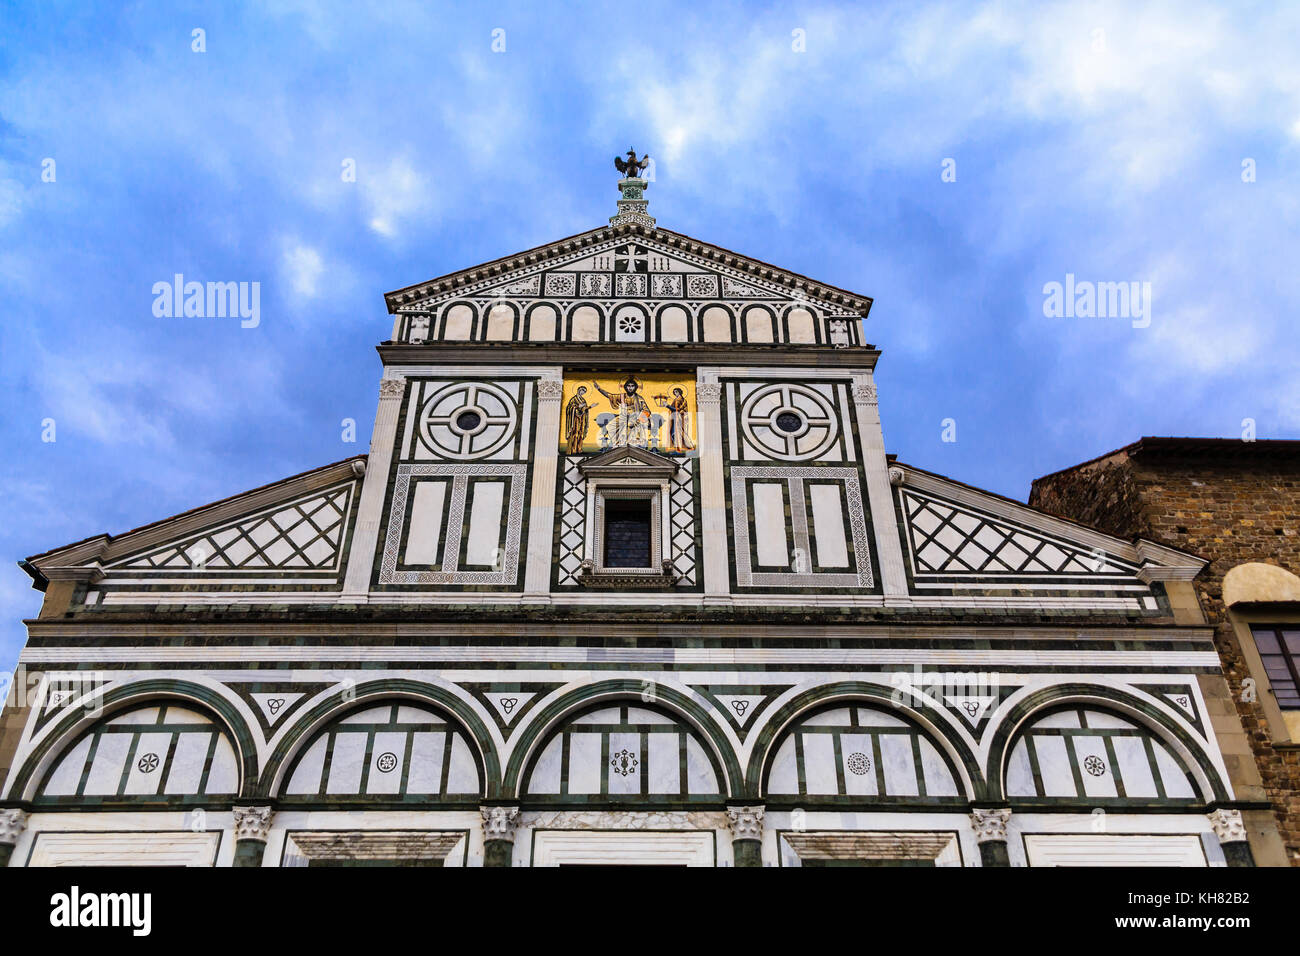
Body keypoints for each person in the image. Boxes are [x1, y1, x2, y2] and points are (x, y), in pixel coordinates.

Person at [592, 377, 652, 448]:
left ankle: (634, 443)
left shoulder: (639, 398)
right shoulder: (622, 396)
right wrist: (599, 389)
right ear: (625, 387)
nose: (630, 388)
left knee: (631, 426)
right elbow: (610, 396)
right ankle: (618, 443)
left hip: (635, 417)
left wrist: (639, 420)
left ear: (635, 387)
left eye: (632, 386)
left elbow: (647, 411)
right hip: (623, 416)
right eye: (628, 386)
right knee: (610, 426)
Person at [656, 387, 695, 453]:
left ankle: (682, 447)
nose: (675, 393)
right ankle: (676, 447)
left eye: (676, 392)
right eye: (674, 392)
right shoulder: (675, 399)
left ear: (680, 392)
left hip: (679, 418)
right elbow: (673, 408)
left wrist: (667, 405)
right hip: (674, 418)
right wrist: (666, 405)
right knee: (672, 432)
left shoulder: (683, 400)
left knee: (678, 432)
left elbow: (678, 409)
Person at [564, 386, 590, 453]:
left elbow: (584, 409)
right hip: (575, 420)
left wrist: (589, 407)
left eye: (584, 392)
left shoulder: (583, 400)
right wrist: (578, 406)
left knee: (580, 434)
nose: (583, 393)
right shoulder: (573, 399)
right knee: (575, 434)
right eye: (582, 391)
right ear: (578, 390)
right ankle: (573, 450)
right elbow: (569, 408)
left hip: (581, 419)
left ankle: (579, 449)